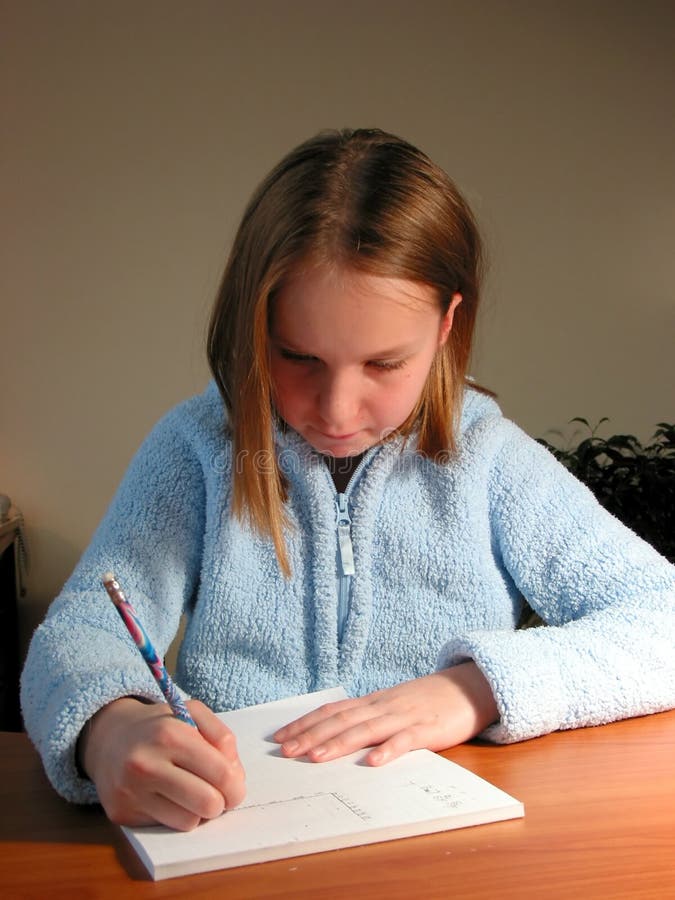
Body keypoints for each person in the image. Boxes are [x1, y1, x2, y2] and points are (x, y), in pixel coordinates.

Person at [21, 128, 675, 833]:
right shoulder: (199, 448)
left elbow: (660, 620)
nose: (334, 411)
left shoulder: (487, 460)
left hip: (446, 835)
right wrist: (109, 728)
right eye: (297, 356)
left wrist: (478, 688)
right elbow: (83, 631)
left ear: (447, 325)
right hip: (237, 834)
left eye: (384, 364)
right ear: (253, 324)